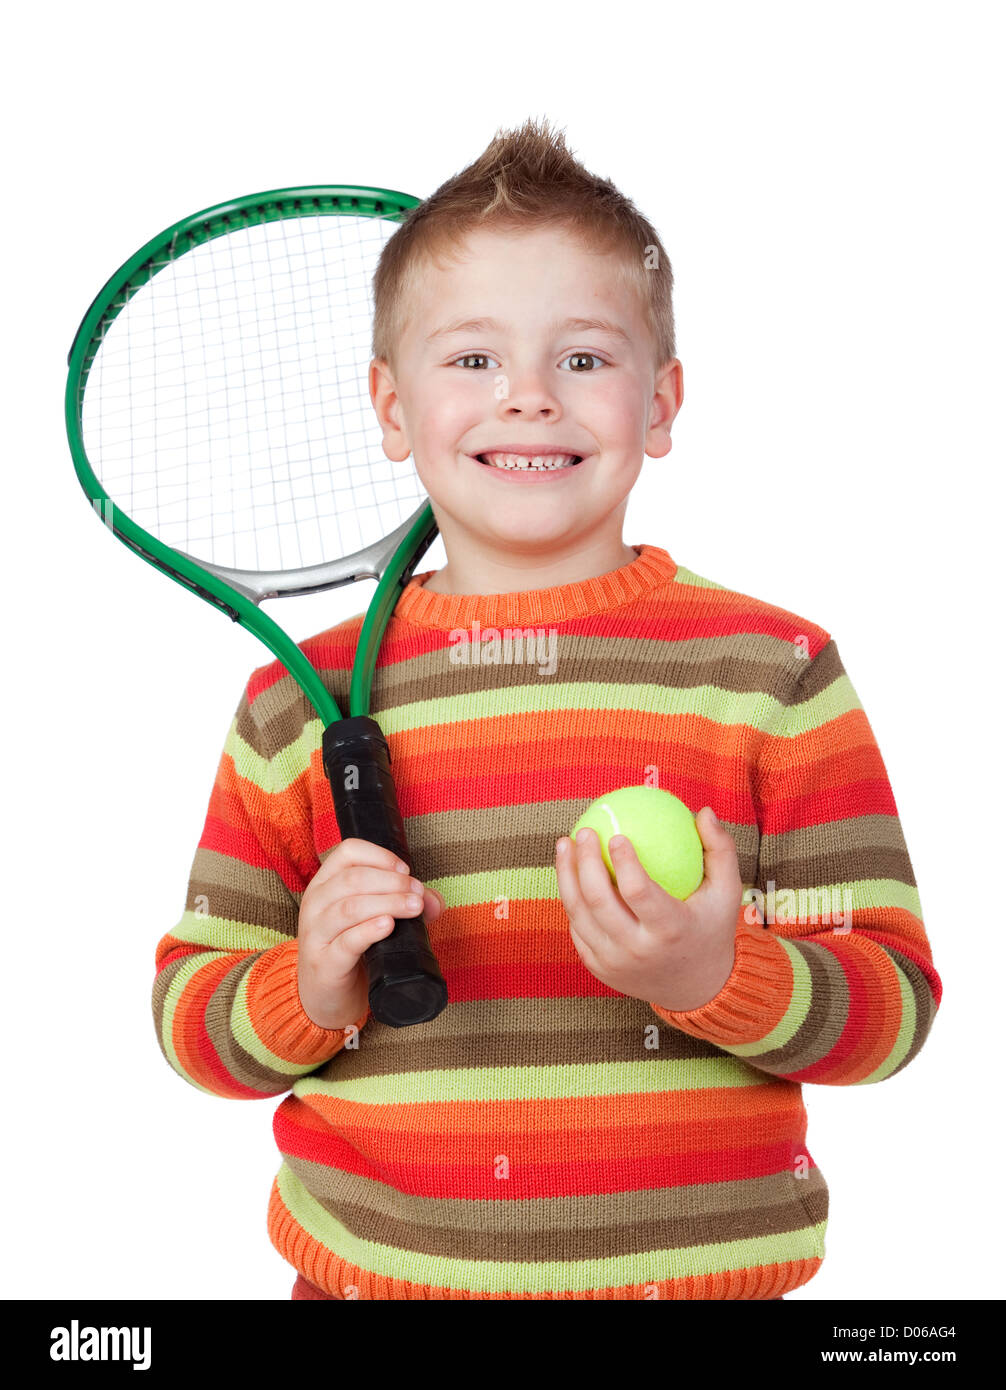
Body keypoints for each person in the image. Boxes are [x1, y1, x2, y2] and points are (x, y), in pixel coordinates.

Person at [152, 118, 941, 1301]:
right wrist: (308, 987)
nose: (528, 398)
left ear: (661, 402)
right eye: (472, 360)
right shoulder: (291, 706)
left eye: (582, 359)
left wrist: (712, 975)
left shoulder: (771, 671)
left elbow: (893, 1010)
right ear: (389, 406)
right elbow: (189, 1017)